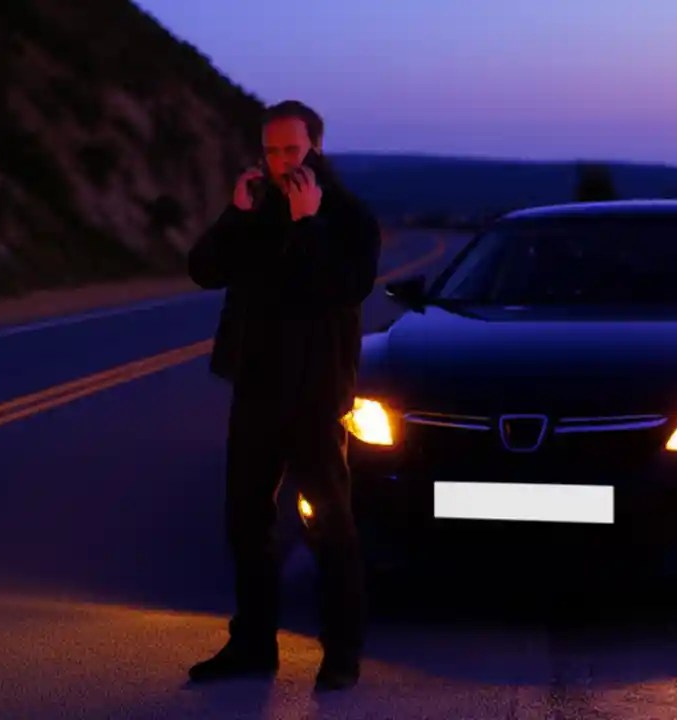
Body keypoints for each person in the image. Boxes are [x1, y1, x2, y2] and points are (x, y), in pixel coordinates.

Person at [185, 100, 381, 691]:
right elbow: (203, 269)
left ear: (315, 146)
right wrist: (234, 214)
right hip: (257, 387)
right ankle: (252, 643)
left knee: (330, 524)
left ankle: (341, 653)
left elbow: (343, 288)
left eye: (290, 150)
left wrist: (309, 223)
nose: (279, 162)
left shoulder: (348, 216)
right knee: (246, 519)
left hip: (315, 394)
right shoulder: (259, 208)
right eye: (271, 151)